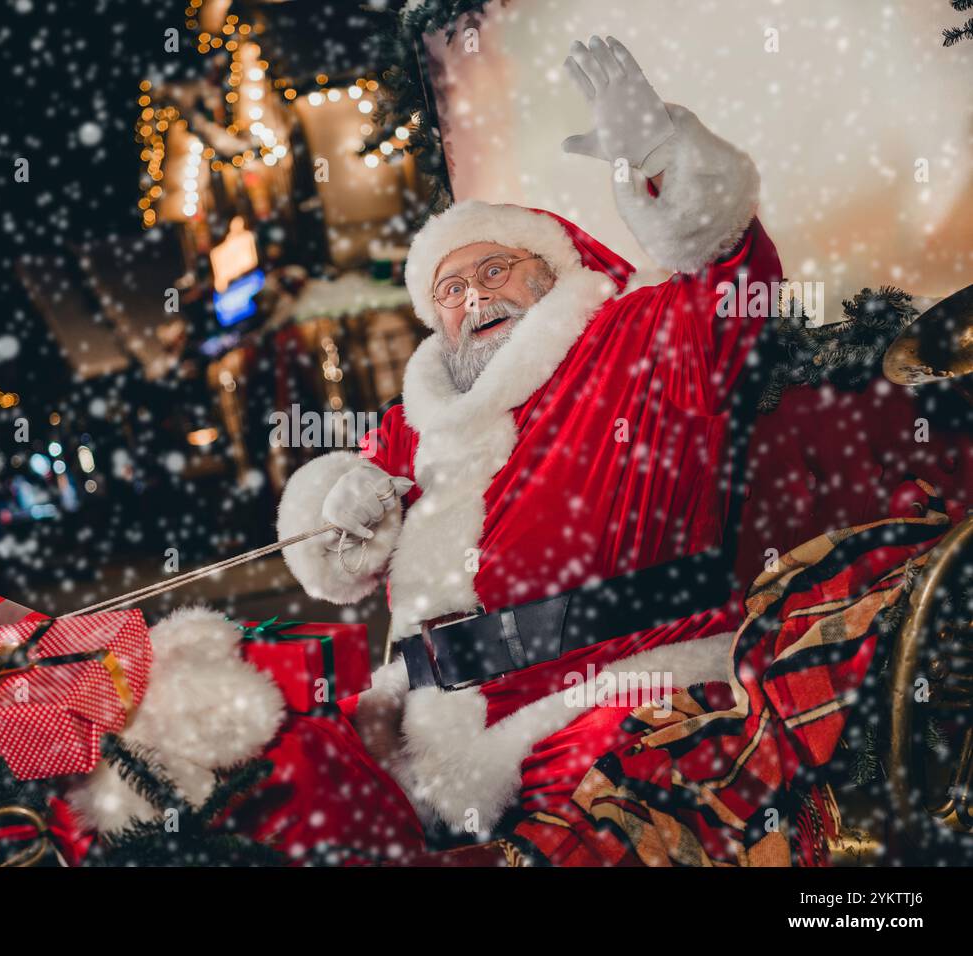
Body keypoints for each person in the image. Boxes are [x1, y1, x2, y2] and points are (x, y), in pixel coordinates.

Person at [275, 36, 780, 836]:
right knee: (277, 785)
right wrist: (342, 512)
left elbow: (734, 280)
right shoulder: (416, 421)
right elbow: (335, 566)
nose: (473, 297)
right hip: (431, 725)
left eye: (495, 270)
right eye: (450, 288)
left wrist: (668, 160)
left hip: (609, 689)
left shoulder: (636, 335)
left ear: (551, 270)